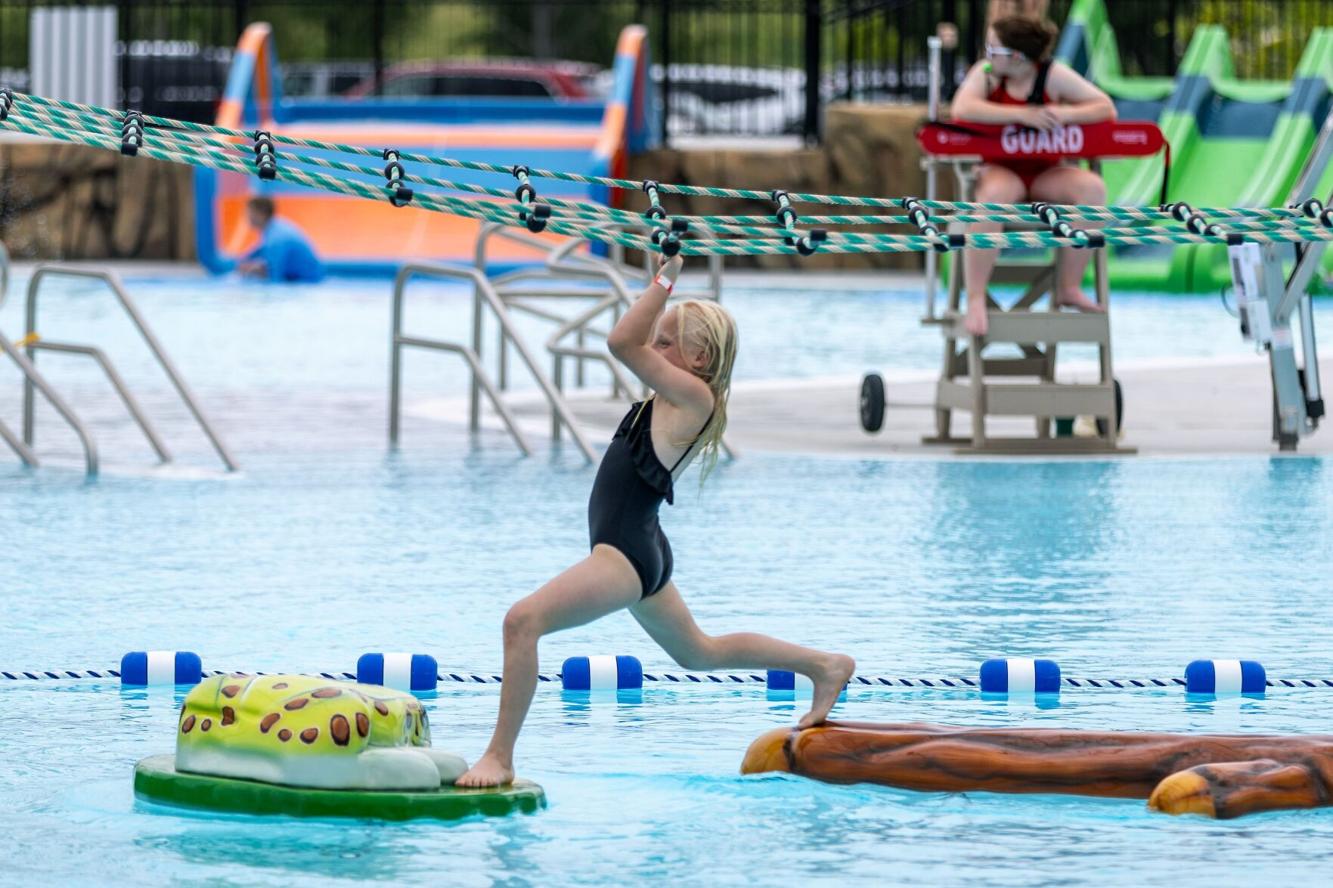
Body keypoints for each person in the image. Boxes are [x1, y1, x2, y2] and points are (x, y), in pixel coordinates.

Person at [455, 255, 856, 788]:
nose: (654, 349)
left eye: (667, 343)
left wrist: (665, 280)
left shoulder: (695, 397)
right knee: (700, 652)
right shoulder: (673, 397)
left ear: (700, 357)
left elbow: (621, 342)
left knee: (521, 622)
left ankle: (499, 757)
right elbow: (634, 342)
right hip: (640, 544)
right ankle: (823, 665)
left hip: (623, 555)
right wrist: (659, 282)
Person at [950, 15, 1117, 337]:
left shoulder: (1050, 75)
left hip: (1044, 172)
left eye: (992, 48)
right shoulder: (986, 74)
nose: (986, 54)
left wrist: (1064, 114)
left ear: (1016, 57)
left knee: (1093, 189)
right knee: (993, 198)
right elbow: (962, 108)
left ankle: (1070, 287)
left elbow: (1104, 107)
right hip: (1001, 170)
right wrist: (1021, 114)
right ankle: (974, 298)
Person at [235, 196, 325, 283]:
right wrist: (244, 262)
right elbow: (257, 251)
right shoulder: (275, 227)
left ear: (260, 214)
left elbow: (275, 277)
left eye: (249, 213)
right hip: (310, 278)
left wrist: (252, 269)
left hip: (307, 283)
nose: (246, 217)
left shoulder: (276, 238)